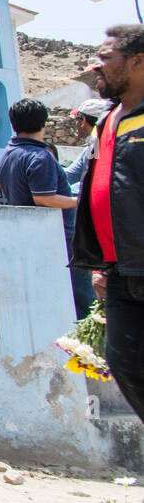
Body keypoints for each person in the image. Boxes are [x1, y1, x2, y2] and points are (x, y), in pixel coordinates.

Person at [71, 25, 144, 423]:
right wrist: (100, 261)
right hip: (119, 270)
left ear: (138, 62)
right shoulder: (108, 120)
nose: (95, 66)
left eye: (106, 58)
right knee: (124, 361)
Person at [0, 98, 92, 320]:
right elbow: (44, 198)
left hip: (29, 238)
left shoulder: (9, 154)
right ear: (44, 123)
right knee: (83, 303)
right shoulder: (39, 157)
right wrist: (80, 201)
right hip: (61, 240)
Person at [63, 98, 111, 194]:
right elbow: (71, 174)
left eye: (77, 119)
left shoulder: (98, 146)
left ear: (83, 121)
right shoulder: (94, 145)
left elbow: (92, 182)